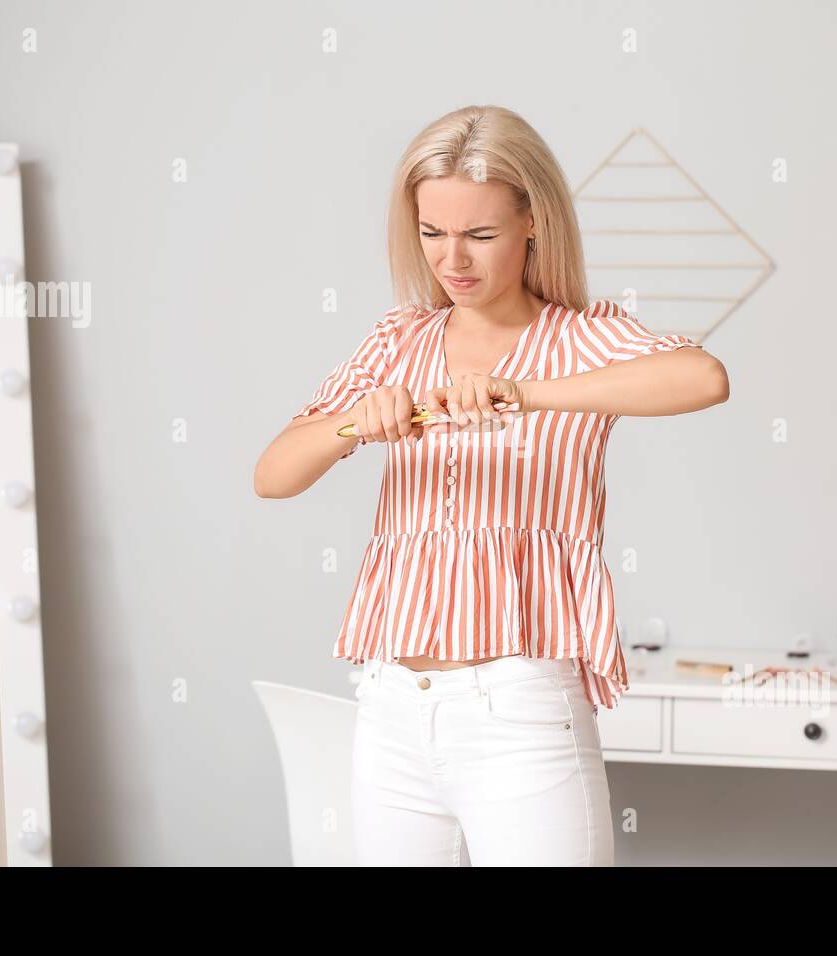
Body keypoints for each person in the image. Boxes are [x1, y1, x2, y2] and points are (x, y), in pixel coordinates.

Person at [254, 104, 729, 866]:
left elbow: (703, 377)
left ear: (534, 221)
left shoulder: (581, 337)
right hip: (390, 706)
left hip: (519, 709)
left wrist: (523, 393)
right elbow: (272, 475)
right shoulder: (398, 338)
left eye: (480, 235)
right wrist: (356, 426)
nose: (454, 261)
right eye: (432, 233)